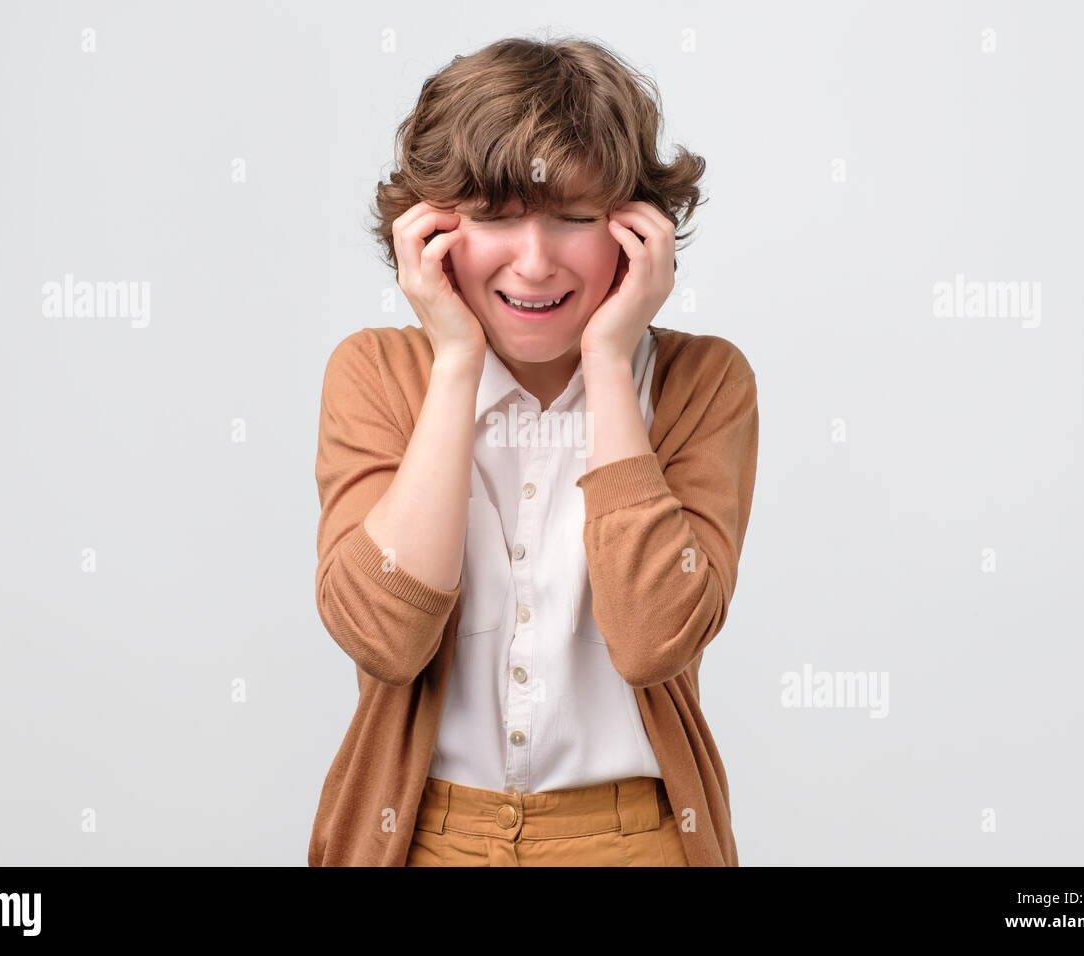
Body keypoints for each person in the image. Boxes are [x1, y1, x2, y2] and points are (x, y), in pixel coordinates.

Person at [309, 34, 758, 866]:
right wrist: (455, 366)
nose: (536, 259)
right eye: (495, 218)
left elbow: (655, 637)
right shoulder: (375, 372)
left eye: (576, 219)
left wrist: (608, 365)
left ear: (638, 230)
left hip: (637, 841)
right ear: (431, 228)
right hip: (420, 835)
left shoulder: (705, 382)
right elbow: (384, 638)